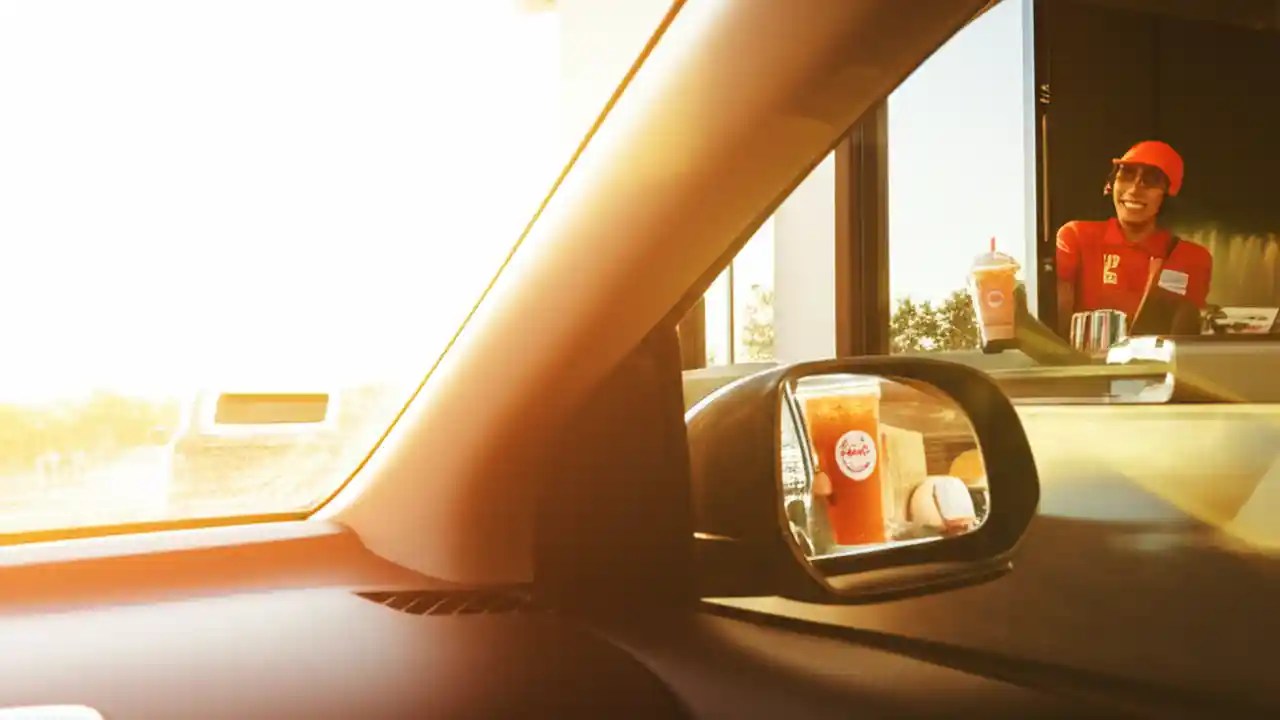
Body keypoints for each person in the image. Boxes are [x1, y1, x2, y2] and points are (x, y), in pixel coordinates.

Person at [1055, 140, 1213, 337]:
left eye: (1151, 180)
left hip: (1154, 366)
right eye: (1127, 175)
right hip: (1083, 365)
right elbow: (1056, 323)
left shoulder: (1192, 257)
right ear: (1111, 185)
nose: (1135, 189)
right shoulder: (1077, 237)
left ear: (1168, 197)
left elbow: (1184, 338)